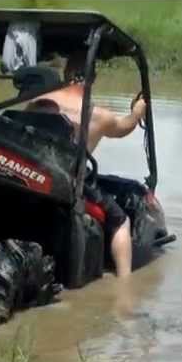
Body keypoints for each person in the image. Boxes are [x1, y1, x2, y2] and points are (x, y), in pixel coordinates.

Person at [29, 51, 149, 278]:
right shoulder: (98, 115)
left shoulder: (37, 102)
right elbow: (124, 127)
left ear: (66, 73)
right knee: (121, 220)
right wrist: (137, 112)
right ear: (92, 78)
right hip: (70, 184)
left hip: (33, 175)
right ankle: (125, 284)